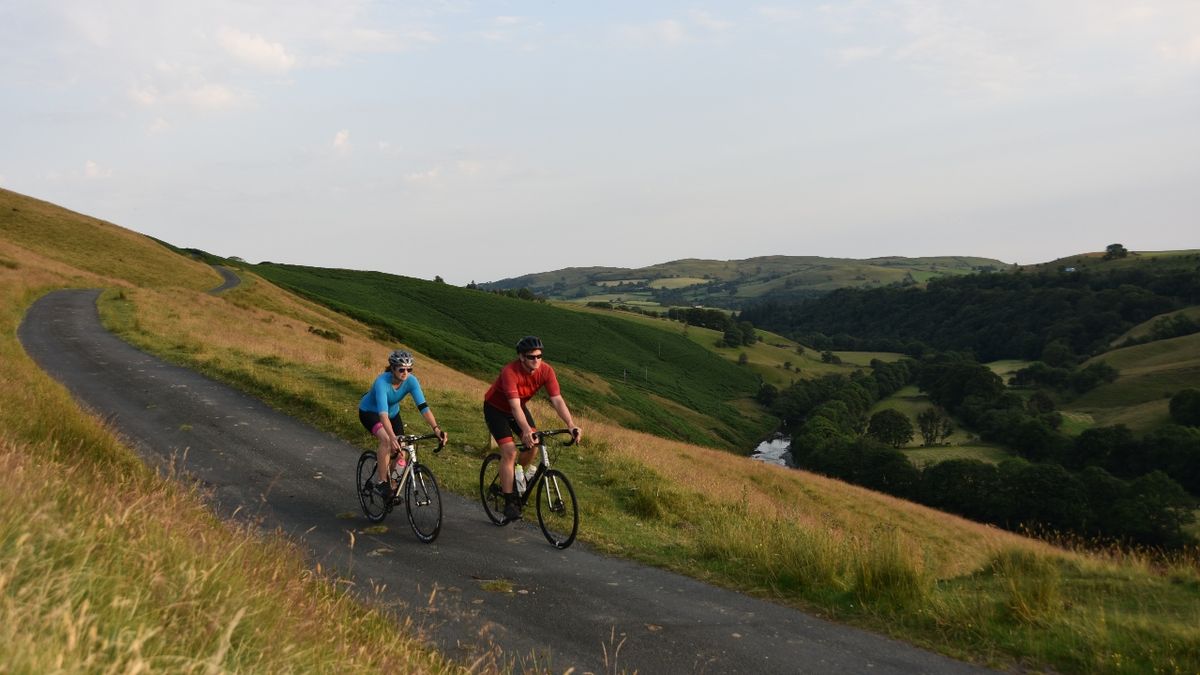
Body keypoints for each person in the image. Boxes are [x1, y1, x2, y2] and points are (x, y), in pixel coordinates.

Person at [483, 335, 581, 521]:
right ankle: (509, 502)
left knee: (533, 445)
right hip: (496, 410)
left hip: (518, 407)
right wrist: (526, 429)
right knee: (510, 452)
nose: (536, 360)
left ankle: (516, 475)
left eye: (539, 356)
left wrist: (570, 424)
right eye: (531, 357)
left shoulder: (546, 371)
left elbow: (557, 400)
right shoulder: (510, 372)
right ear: (521, 357)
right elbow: (514, 407)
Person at [359, 349, 448, 497]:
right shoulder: (382, 383)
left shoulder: (411, 381)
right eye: (401, 369)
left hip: (393, 414)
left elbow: (423, 407)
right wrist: (392, 437)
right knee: (387, 440)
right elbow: (383, 415)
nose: (405, 373)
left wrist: (436, 429)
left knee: (402, 453)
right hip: (370, 413)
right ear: (393, 368)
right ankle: (381, 482)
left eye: (409, 369)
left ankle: (392, 488)